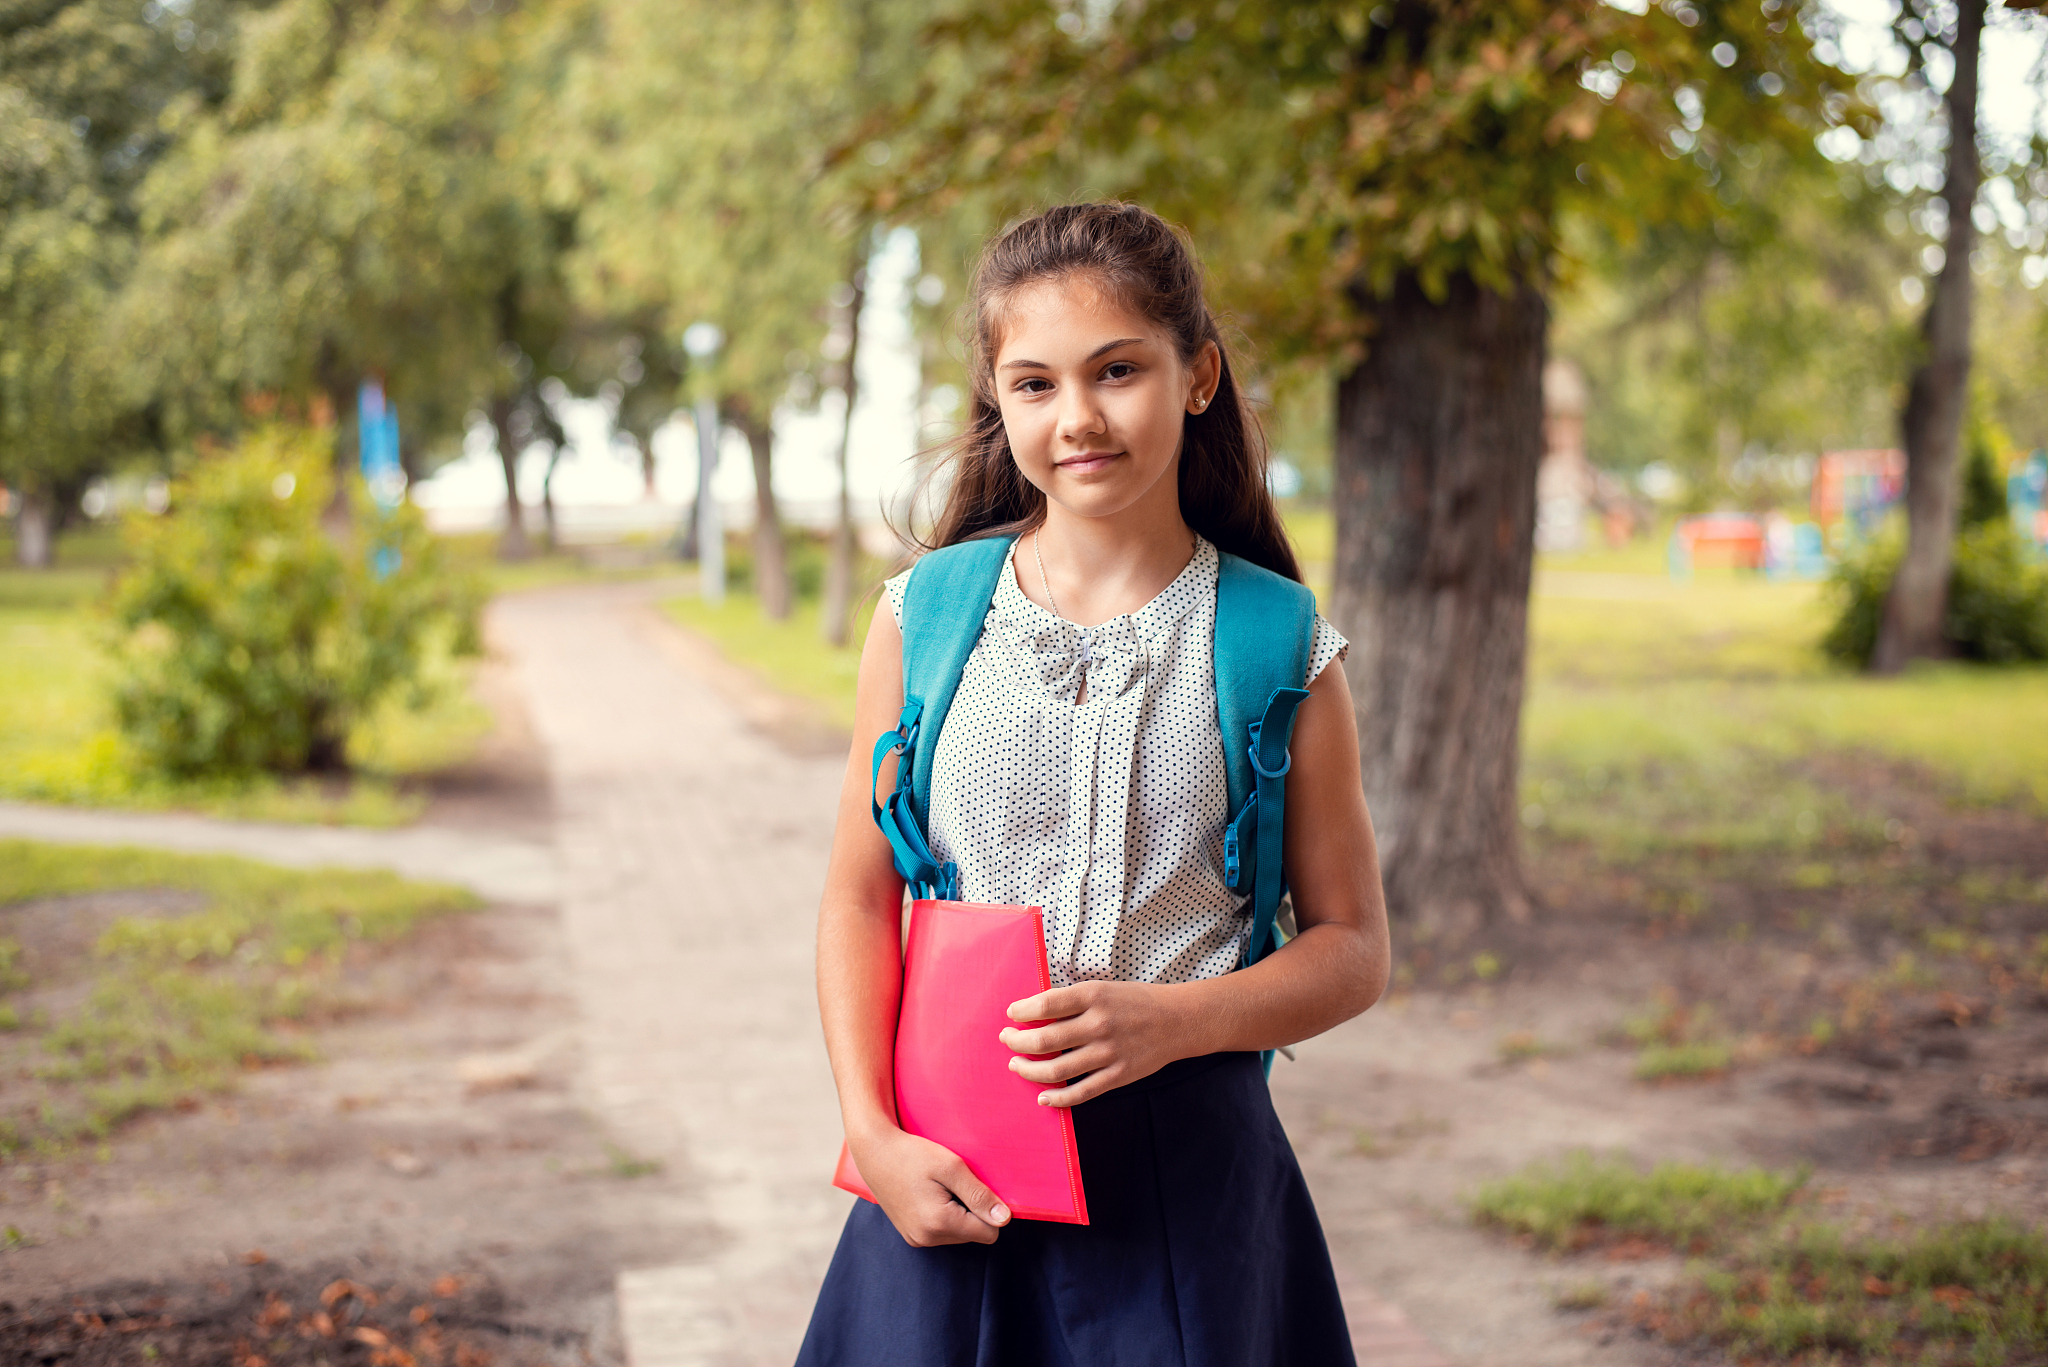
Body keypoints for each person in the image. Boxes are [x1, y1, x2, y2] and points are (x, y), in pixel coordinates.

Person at [799, 202, 1392, 1366]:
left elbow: (1351, 945)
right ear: (998, 400)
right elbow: (858, 898)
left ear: (1197, 375)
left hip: (1190, 1190)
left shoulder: (1275, 643)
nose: (1076, 417)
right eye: (1032, 384)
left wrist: (1172, 1020)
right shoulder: (921, 616)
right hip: (950, 1165)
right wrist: (869, 1133)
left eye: (1116, 370)